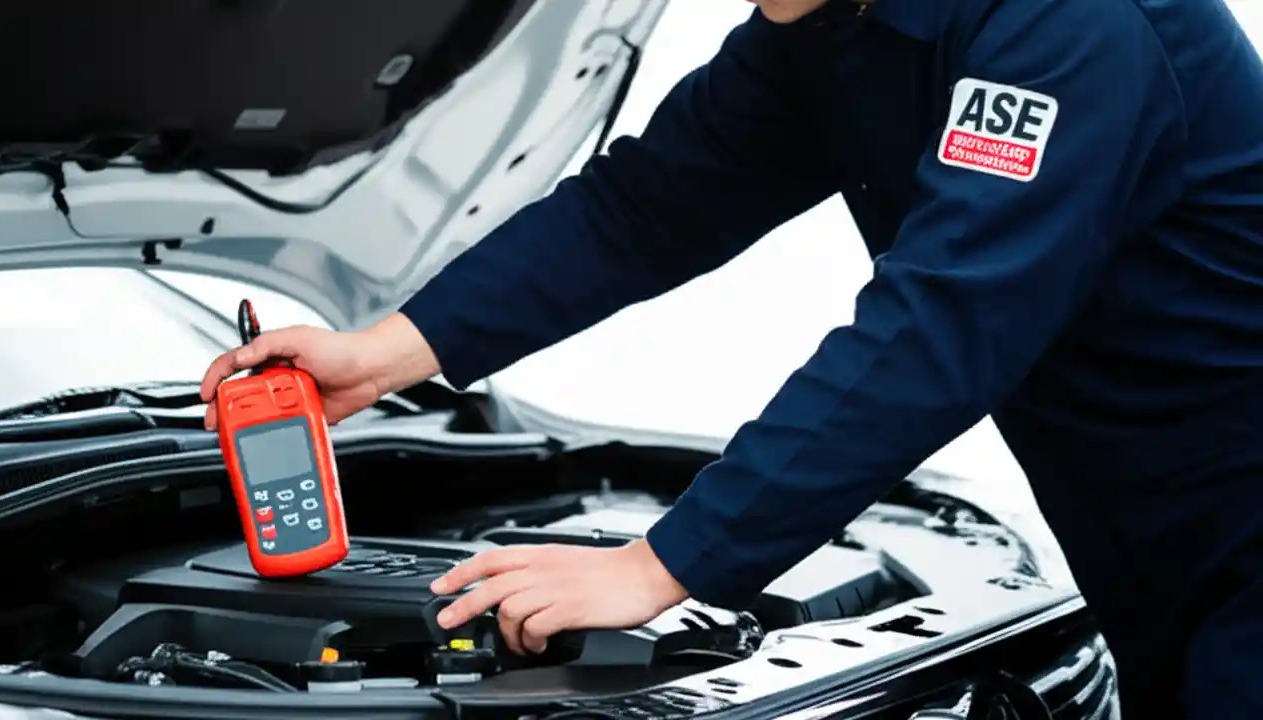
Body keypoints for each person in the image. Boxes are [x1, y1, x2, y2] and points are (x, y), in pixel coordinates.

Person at [200, 0, 1263, 714]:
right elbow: (640, 207)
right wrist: (380, 356)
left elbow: (941, 324)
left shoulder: (1067, 28)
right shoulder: (819, 28)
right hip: (1151, 554)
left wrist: (662, 565)